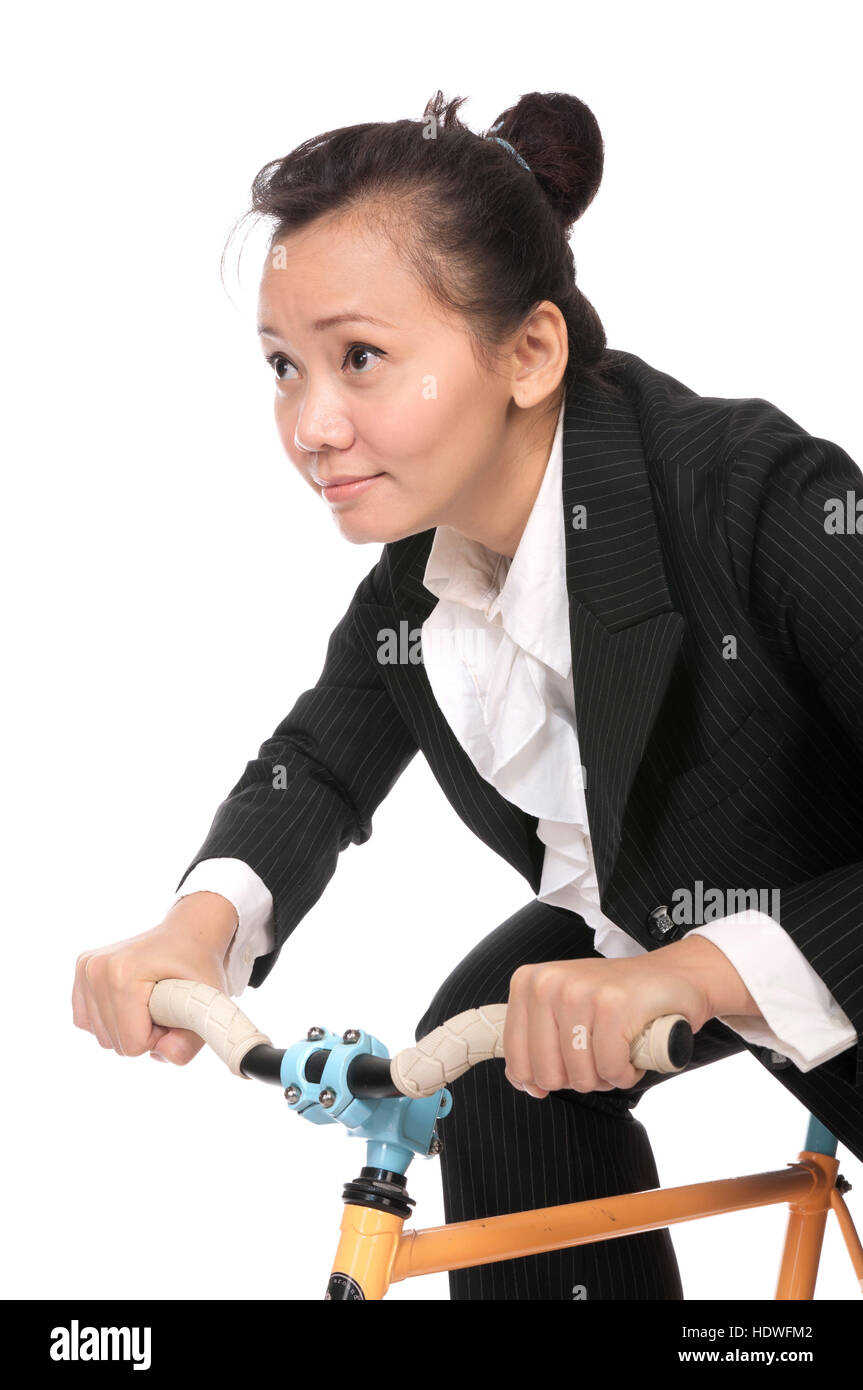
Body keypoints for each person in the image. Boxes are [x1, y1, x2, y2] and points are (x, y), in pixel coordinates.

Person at [72, 89, 863, 1300]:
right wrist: (201, 926)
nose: (309, 425)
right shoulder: (421, 570)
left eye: (361, 359)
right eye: (284, 367)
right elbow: (321, 759)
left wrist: (696, 969)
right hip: (643, 925)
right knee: (489, 1070)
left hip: (829, 935)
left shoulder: (752, 494)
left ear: (528, 353)